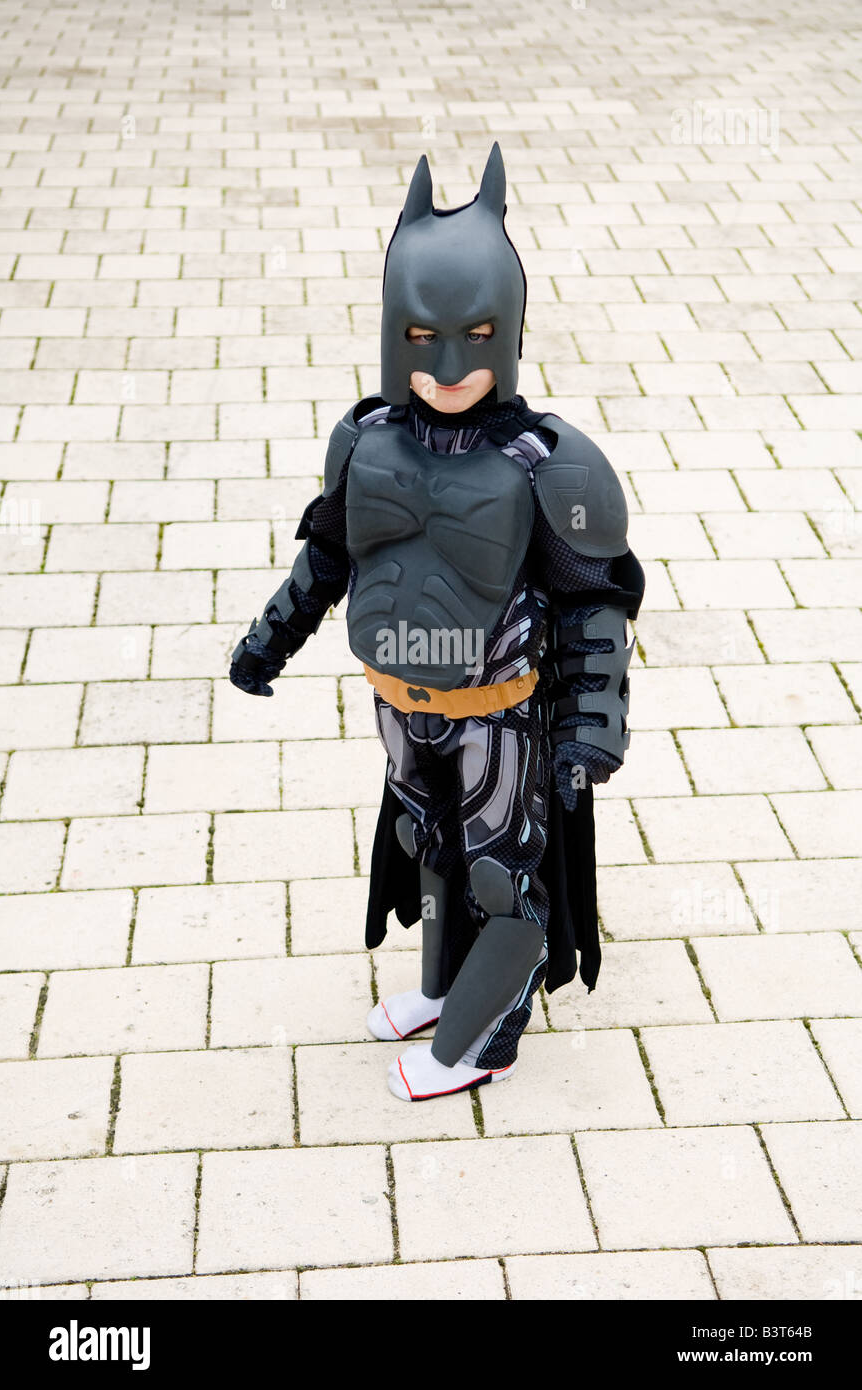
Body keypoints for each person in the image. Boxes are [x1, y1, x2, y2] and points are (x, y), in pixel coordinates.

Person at [230, 142, 645, 1101]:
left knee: (503, 872)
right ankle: (443, 984)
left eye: (474, 336)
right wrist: (268, 641)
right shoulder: (365, 440)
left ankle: (482, 1041)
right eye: (423, 339)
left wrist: (591, 730)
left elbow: (594, 607)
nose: (449, 365)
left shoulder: (550, 465)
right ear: (394, 330)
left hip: (497, 706)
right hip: (397, 698)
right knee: (427, 843)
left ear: (506, 332)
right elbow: (328, 557)